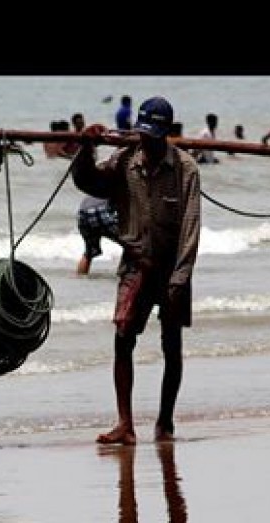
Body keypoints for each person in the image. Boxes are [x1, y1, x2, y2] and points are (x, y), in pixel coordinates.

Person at [71, 96, 201, 445]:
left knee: (171, 347)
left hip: (173, 267)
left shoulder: (186, 169)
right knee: (122, 341)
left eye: (156, 136)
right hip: (135, 264)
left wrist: (179, 278)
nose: (149, 142)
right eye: (145, 134)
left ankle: (165, 422)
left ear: (166, 133)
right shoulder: (125, 160)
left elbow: (191, 227)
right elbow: (89, 183)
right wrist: (86, 147)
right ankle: (125, 424)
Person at [76, 195, 120, 275]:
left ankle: (80, 279)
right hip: (103, 209)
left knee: (89, 252)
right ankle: (125, 279)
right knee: (130, 246)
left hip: (84, 211)